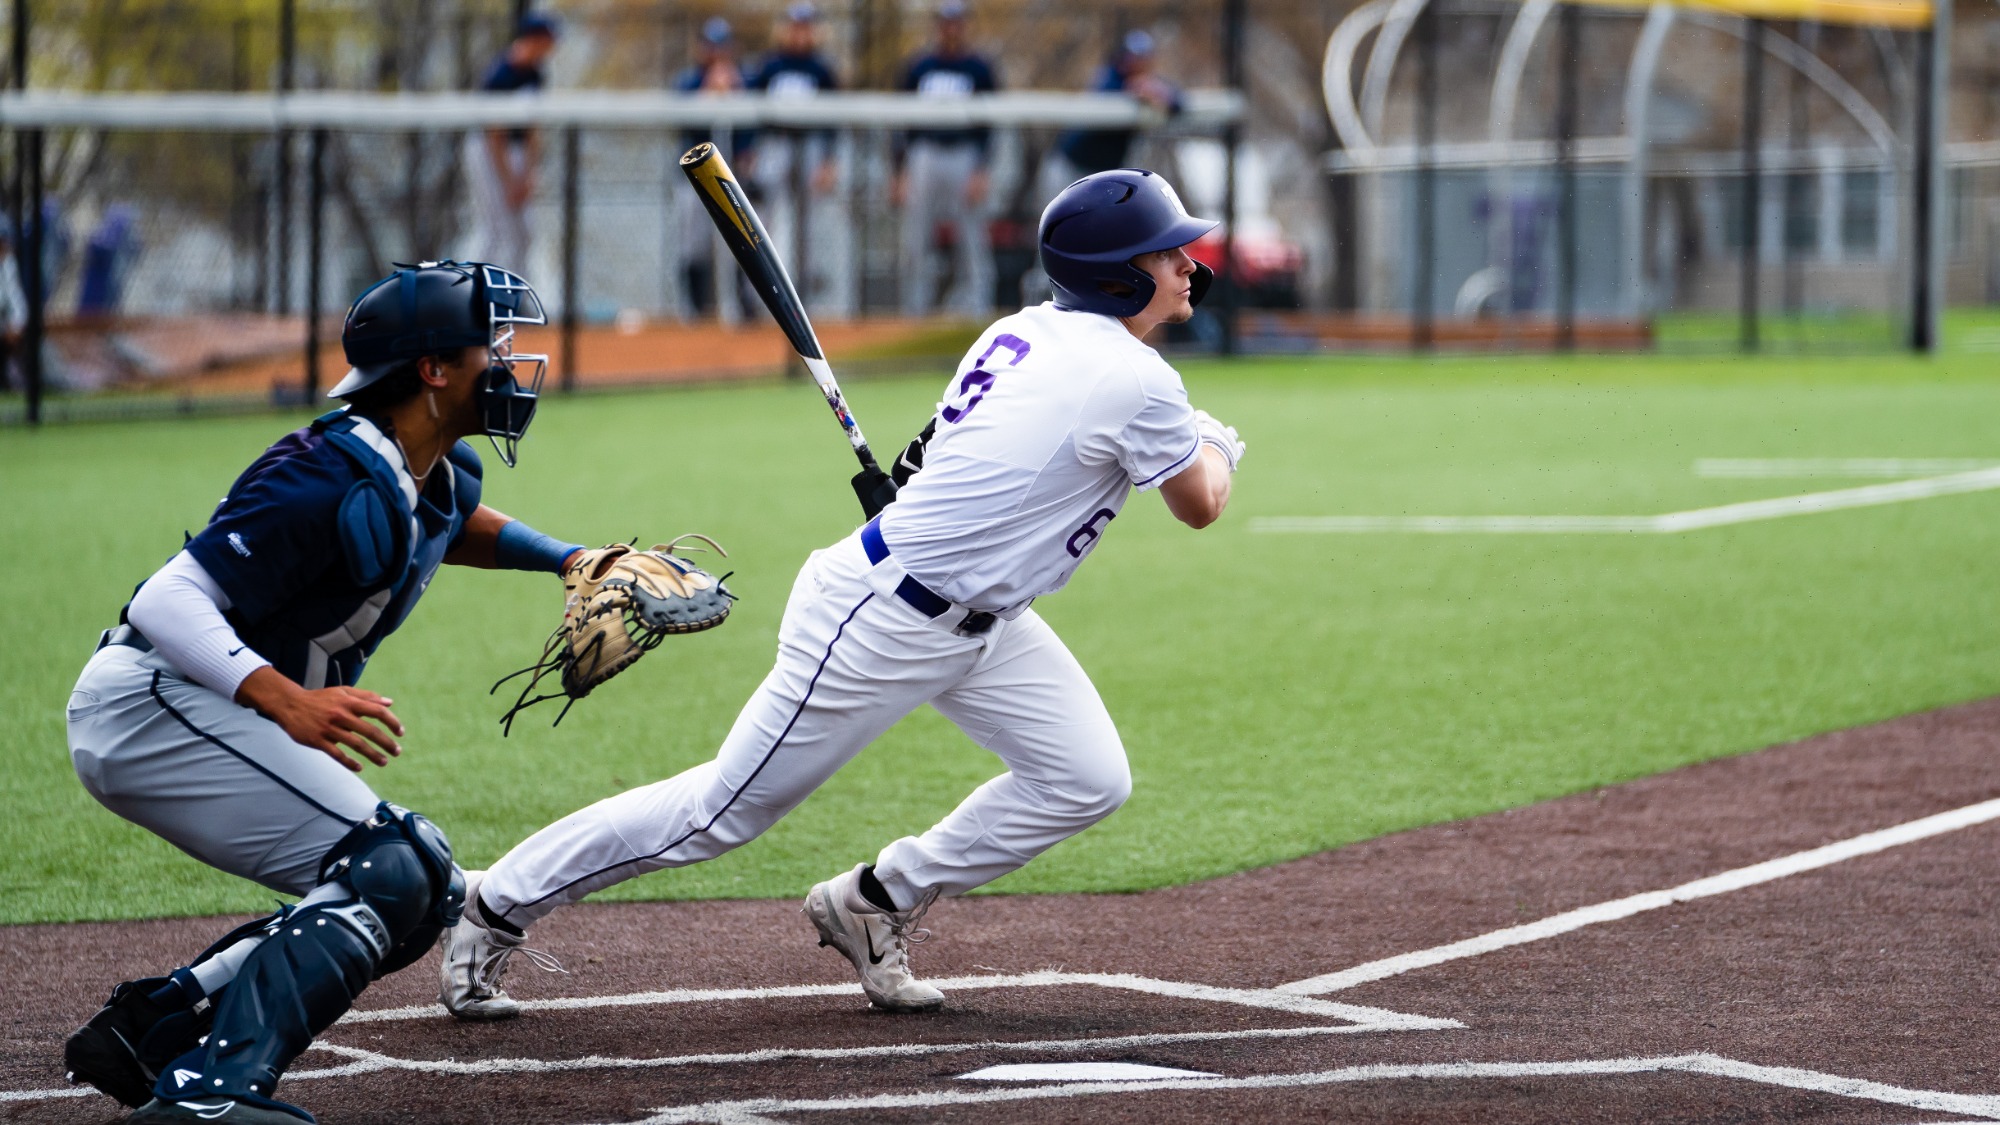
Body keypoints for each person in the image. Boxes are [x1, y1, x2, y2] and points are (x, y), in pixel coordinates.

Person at [438, 169, 1245, 1019]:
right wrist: (1217, 439)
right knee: (719, 813)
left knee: (1085, 777)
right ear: (1118, 275)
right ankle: (494, 902)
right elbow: (1201, 502)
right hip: (881, 619)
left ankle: (874, 901)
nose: (1188, 264)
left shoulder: (1022, 330)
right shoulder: (1139, 379)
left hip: (983, 619)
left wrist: (915, 490)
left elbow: (937, 456)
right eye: (1165, 252)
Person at [61, 262, 591, 1124]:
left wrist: (568, 558)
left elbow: (442, 520)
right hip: (144, 703)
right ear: (431, 369)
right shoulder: (321, 471)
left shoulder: (429, 466)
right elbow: (167, 598)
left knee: (419, 887)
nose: (505, 360)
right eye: (488, 343)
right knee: (392, 865)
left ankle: (151, 1027)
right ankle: (212, 1095)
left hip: (198, 705)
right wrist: (285, 699)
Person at [745, 2, 854, 319]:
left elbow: (835, 120)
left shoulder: (822, 68)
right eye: (795, 26)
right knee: (762, 222)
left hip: (811, 146)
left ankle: (805, 304)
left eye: (806, 26)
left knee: (810, 227)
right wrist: (749, 152)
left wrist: (829, 161)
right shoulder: (770, 65)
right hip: (775, 144)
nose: (800, 33)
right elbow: (751, 112)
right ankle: (759, 300)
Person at [893, 0, 1001, 319]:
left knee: (971, 235)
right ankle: (914, 312)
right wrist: (898, 170)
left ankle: (979, 308)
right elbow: (900, 123)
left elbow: (990, 125)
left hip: (964, 154)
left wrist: (982, 170)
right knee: (915, 236)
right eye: (945, 22)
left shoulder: (979, 68)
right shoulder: (919, 66)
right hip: (924, 153)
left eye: (957, 22)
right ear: (937, 26)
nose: (951, 28)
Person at [466, 13, 560, 270]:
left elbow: (532, 130)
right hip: (489, 152)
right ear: (534, 39)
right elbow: (494, 136)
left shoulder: (536, 75)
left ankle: (514, 294)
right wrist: (509, 182)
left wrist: (528, 175)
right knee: (495, 230)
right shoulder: (501, 75)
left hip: (516, 152)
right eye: (548, 40)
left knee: (524, 233)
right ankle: (469, 295)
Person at [672, 16, 748, 320]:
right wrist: (709, 89)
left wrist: (734, 90)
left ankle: (739, 307)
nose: (716, 52)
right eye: (711, 45)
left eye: (722, 46)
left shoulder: (742, 80)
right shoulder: (689, 81)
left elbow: (749, 133)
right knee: (693, 245)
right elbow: (683, 125)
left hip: (730, 176)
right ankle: (693, 309)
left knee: (737, 242)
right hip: (692, 177)